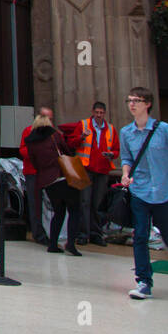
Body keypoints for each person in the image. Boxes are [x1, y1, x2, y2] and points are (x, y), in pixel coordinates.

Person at [120, 87, 168, 300]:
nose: (132, 104)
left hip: (165, 192)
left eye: (137, 100)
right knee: (140, 235)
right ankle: (144, 282)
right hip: (139, 191)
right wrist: (126, 174)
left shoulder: (164, 130)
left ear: (148, 104)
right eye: (129, 100)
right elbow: (126, 159)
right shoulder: (126, 132)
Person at [23, 114, 82, 256]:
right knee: (74, 210)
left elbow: (34, 161)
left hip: (47, 182)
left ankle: (53, 244)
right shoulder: (53, 136)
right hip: (61, 177)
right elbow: (66, 151)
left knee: (58, 211)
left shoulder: (30, 141)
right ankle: (71, 244)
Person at [70, 101, 117, 246]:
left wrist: (111, 154)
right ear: (93, 112)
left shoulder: (110, 129)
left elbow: (116, 149)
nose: (99, 115)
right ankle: (83, 234)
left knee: (97, 203)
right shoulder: (83, 125)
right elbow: (72, 143)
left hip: (102, 169)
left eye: (101, 113)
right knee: (85, 201)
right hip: (86, 168)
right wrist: (81, 137)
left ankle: (96, 233)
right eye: (96, 113)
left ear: (104, 113)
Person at [19, 105, 56, 244]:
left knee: (50, 205)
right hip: (33, 173)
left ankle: (51, 232)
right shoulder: (28, 131)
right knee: (35, 204)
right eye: (47, 118)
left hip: (48, 173)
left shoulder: (53, 133)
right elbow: (23, 150)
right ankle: (38, 234)